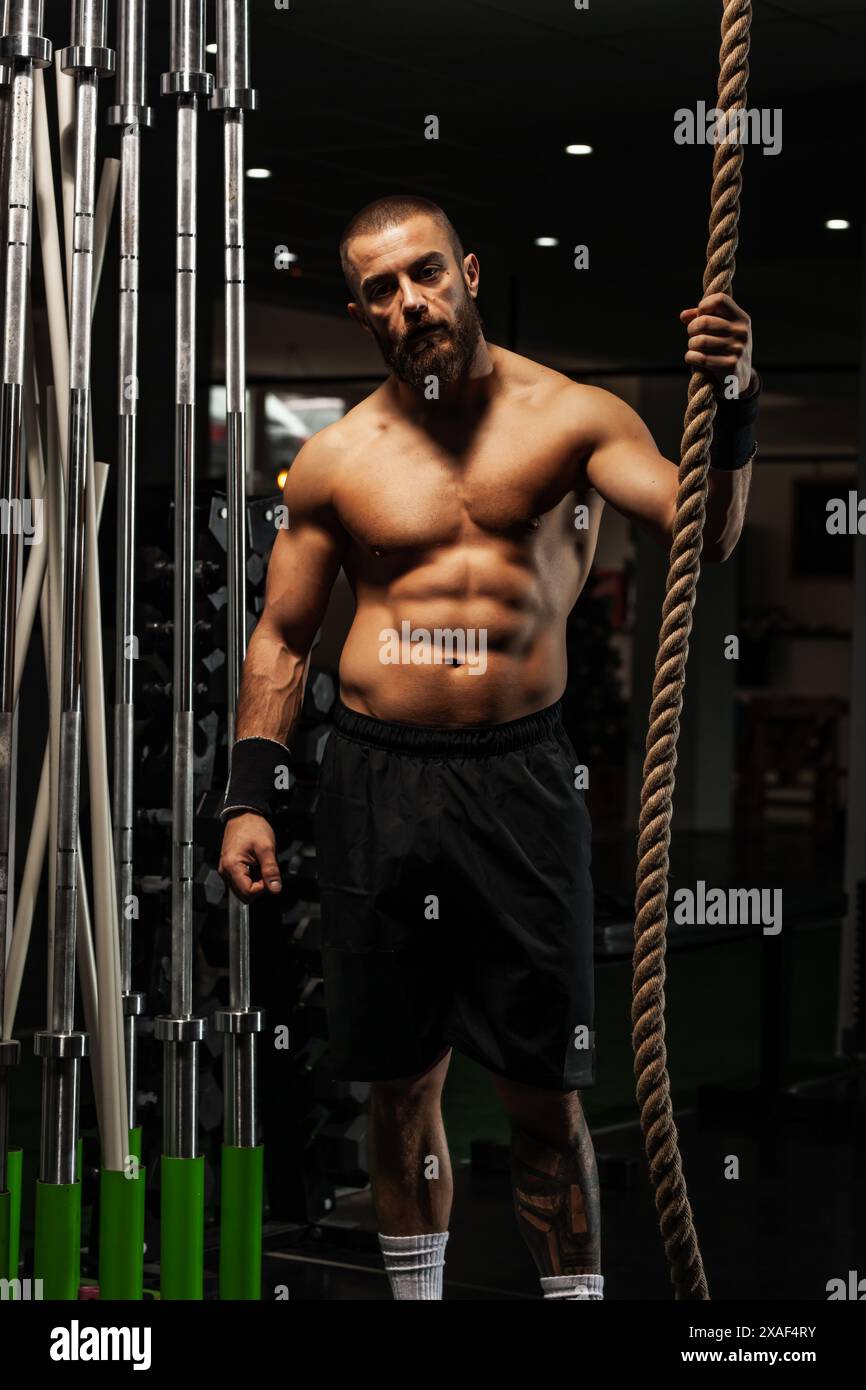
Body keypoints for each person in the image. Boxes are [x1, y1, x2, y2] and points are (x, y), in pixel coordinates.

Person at [218, 194, 759, 1301]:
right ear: (359, 308)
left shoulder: (571, 417)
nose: (408, 300)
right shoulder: (332, 459)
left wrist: (736, 401)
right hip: (374, 780)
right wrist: (250, 793)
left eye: (424, 272)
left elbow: (705, 527)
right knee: (397, 1084)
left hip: (517, 779)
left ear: (467, 270)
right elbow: (280, 635)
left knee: (539, 1091)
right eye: (380, 287)